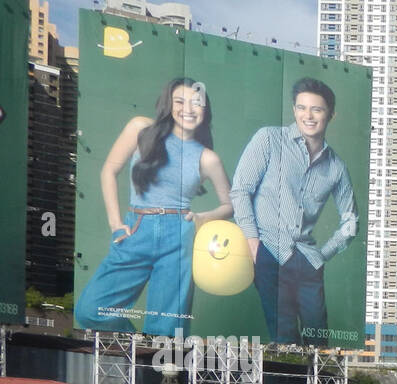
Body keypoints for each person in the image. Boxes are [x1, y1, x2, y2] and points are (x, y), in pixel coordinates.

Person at [75, 77, 233, 335]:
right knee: (91, 311)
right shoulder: (141, 128)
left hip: (179, 235)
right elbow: (108, 172)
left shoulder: (208, 157)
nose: (188, 109)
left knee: (166, 330)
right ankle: (137, 342)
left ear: (205, 110)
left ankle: (157, 371)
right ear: (168, 104)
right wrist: (116, 225)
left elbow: (229, 205)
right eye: (180, 101)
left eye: (196, 103)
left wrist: (204, 217)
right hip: (137, 227)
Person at [229, 77, 357, 346]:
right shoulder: (269, 139)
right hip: (269, 252)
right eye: (301, 108)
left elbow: (350, 222)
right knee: (284, 339)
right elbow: (241, 190)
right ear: (294, 109)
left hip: (308, 262)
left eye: (317, 110)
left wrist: (322, 255)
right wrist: (253, 242)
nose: (307, 116)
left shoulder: (337, 167)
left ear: (331, 115)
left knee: (318, 343)